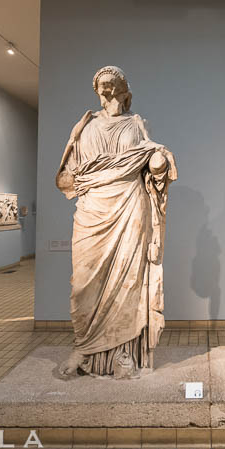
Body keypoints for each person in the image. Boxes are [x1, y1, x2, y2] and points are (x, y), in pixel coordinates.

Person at [55, 66, 177, 379]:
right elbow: (67, 178)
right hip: (93, 207)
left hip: (129, 205)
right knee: (83, 282)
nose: (107, 90)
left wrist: (159, 163)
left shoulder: (137, 124)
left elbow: (150, 162)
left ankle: (123, 352)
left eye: (113, 84)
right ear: (97, 91)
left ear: (123, 91)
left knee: (128, 280)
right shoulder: (85, 126)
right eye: (102, 85)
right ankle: (83, 345)